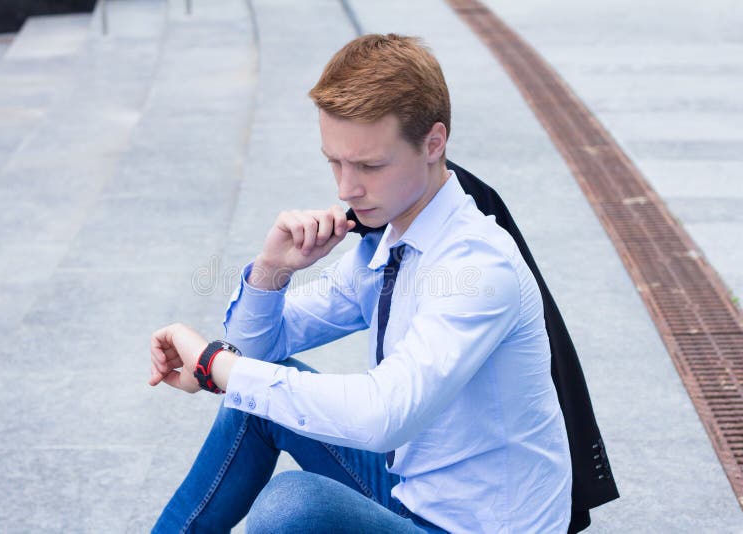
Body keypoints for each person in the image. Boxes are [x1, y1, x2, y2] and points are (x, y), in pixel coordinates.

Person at [148, 33, 573, 533]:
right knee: (259, 397)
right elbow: (254, 351)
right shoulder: (387, 237)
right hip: (409, 491)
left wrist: (214, 364)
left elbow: (384, 415)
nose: (346, 188)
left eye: (369, 165)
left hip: (471, 525)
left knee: (292, 505)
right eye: (335, 161)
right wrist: (271, 271)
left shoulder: (478, 265)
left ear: (434, 144)